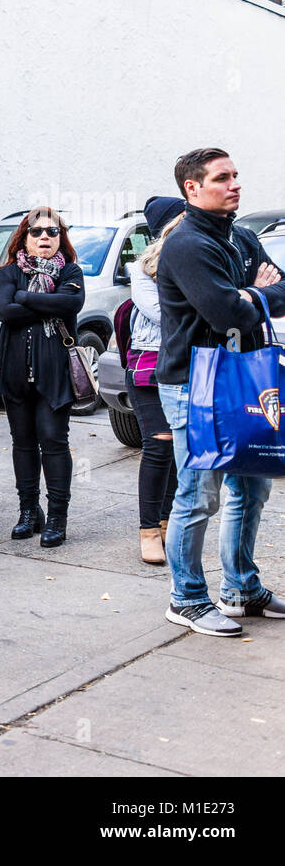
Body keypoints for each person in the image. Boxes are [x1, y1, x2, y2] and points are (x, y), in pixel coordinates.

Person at [156, 147, 285, 636]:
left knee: (252, 489)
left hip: (244, 377)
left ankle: (241, 589)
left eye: (236, 176)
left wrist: (250, 293)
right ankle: (186, 598)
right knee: (198, 494)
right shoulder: (188, 244)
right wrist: (253, 293)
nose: (235, 184)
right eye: (222, 178)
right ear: (192, 188)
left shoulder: (243, 236)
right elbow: (226, 313)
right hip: (195, 384)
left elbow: (281, 290)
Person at [0, 206, 85, 548]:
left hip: (54, 374)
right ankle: (29, 511)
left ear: (61, 238)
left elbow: (70, 305)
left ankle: (57, 517)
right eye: (37, 231)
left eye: (52, 231)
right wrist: (48, 302)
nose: (44, 236)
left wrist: (25, 298)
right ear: (24, 237)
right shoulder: (9, 272)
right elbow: (4, 310)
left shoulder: (71, 270)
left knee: (54, 442)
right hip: (15, 373)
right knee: (23, 443)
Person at [128, 196, 184, 565]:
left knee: (179, 449)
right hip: (149, 366)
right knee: (159, 443)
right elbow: (165, 315)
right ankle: (148, 530)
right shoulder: (142, 270)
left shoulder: (200, 261)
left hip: (186, 365)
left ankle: (166, 524)